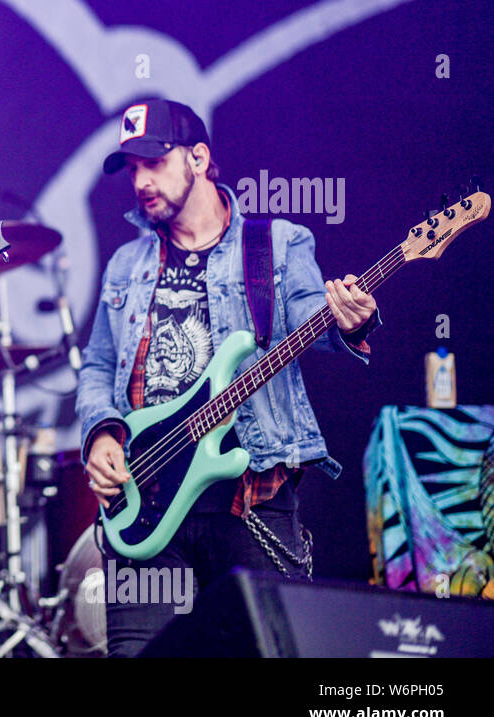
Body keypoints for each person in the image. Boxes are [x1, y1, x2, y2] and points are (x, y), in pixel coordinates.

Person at [76, 99, 380, 657]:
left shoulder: (278, 244)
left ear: (199, 158)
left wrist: (349, 321)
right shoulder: (126, 263)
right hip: (146, 504)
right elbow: (97, 365)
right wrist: (100, 433)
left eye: (154, 162)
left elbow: (320, 322)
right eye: (132, 169)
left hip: (250, 495)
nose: (141, 181)